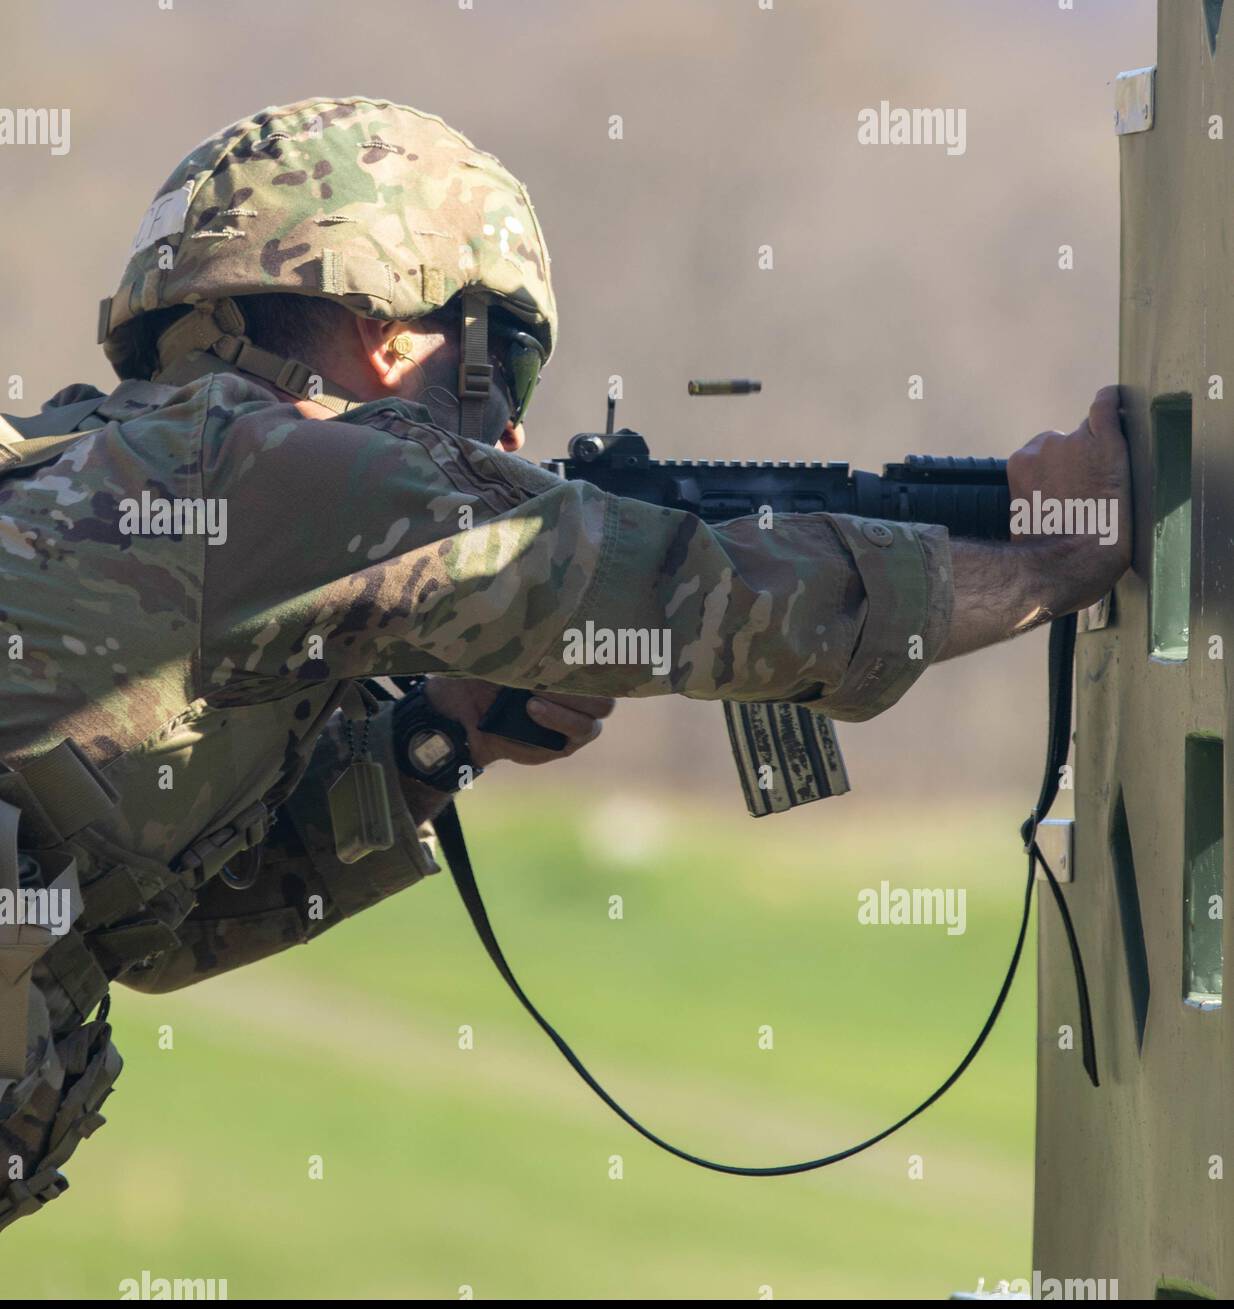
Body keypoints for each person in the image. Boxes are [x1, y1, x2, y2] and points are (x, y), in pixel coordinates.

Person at [0, 96, 1130, 1231]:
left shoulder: (117, 477)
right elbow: (683, 592)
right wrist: (1038, 562)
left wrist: (431, 740)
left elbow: (157, 930)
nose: (507, 441)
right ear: (391, 333)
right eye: (509, 361)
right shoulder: (258, 471)